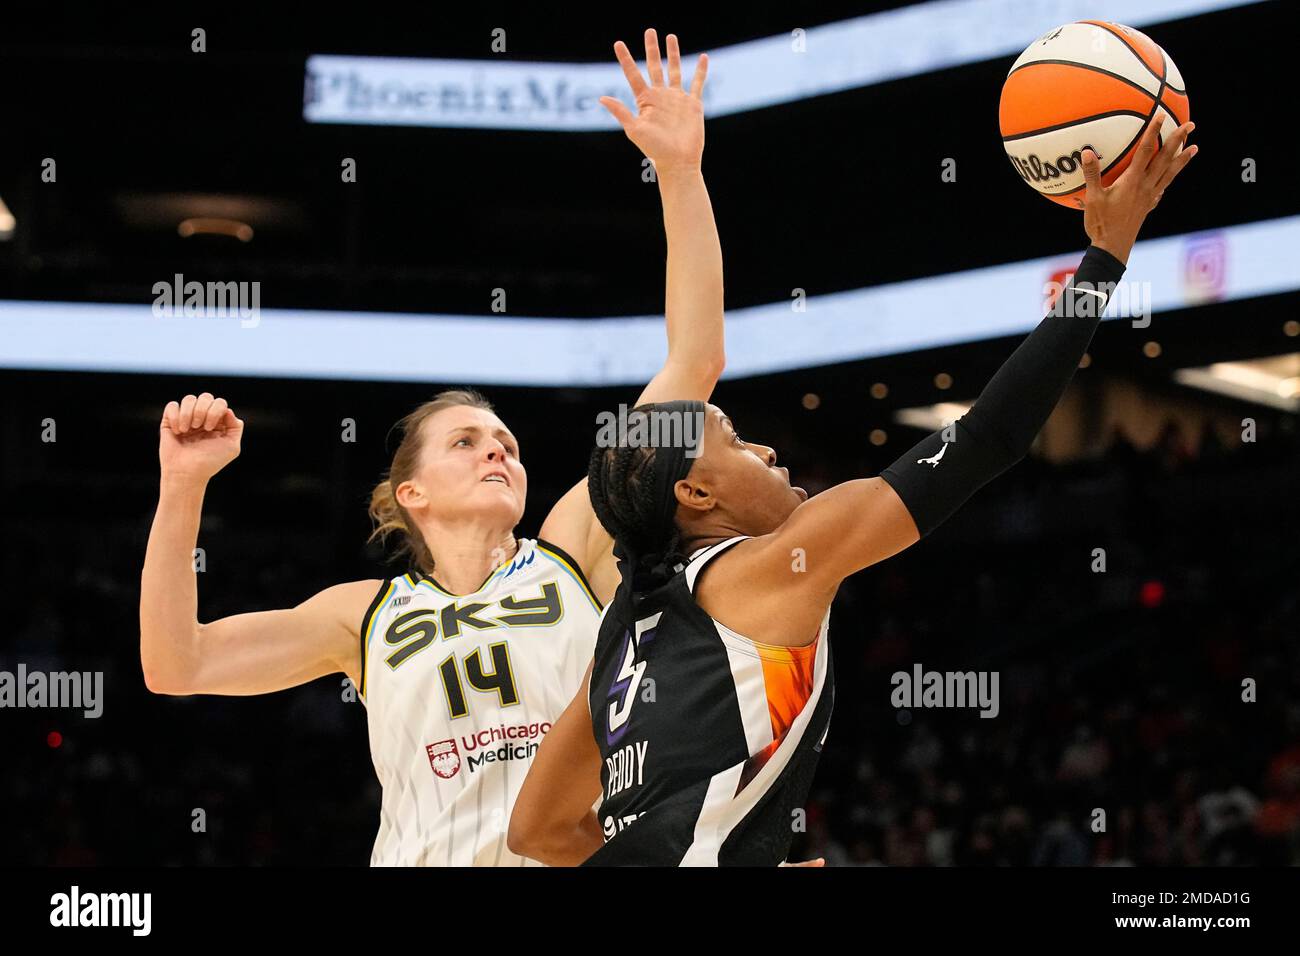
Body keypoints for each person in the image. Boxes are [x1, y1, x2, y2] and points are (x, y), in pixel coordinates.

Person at [508, 114, 1198, 865]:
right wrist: (1103, 258)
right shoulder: (770, 565)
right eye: (737, 440)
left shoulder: (622, 637)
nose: (768, 448)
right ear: (697, 496)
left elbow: (539, 831)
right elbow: (988, 439)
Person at [140, 29, 725, 866]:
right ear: (408, 490)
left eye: (508, 443)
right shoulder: (363, 615)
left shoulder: (572, 550)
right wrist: (182, 485)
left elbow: (693, 361)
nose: (499, 453)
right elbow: (175, 664)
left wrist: (679, 171)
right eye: (466, 442)